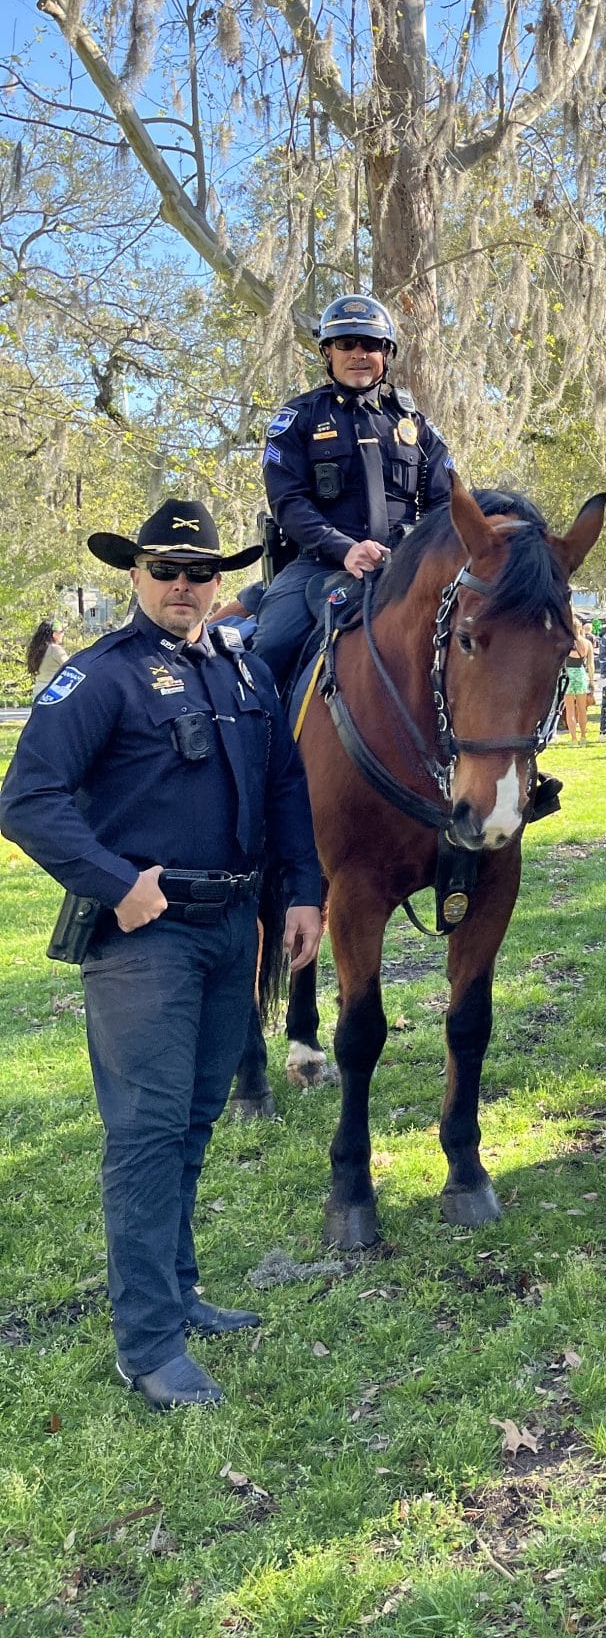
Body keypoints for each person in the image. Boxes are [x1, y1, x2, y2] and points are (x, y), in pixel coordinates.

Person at [0, 500, 322, 1411]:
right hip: (145, 936)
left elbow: (286, 784)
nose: (185, 585)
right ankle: (146, 1346)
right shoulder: (101, 676)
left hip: (231, 927)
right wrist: (115, 882)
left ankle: (177, 1293)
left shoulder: (244, 669)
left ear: (220, 581)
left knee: (193, 1120)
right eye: (167, 570)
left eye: (201, 572)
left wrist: (304, 889)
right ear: (136, 575)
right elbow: (27, 800)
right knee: (145, 1133)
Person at [250, 294, 454, 693]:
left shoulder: (416, 425)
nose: (359, 354)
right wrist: (344, 549)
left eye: (371, 344)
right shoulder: (299, 418)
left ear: (386, 353)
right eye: (346, 343)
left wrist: (419, 552)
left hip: (407, 563)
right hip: (320, 563)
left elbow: (445, 503)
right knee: (271, 646)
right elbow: (288, 502)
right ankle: (263, 732)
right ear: (328, 352)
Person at [563, 624, 595, 744]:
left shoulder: (566, 642)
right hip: (581, 675)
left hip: (568, 675)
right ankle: (583, 737)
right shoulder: (587, 643)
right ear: (580, 628)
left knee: (570, 710)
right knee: (582, 709)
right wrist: (591, 680)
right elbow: (590, 664)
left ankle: (573, 738)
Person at [26, 618, 68, 700]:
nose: (63, 634)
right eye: (61, 631)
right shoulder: (56, 649)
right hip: (52, 694)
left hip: (37, 692)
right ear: (54, 634)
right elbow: (71, 667)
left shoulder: (36, 650)